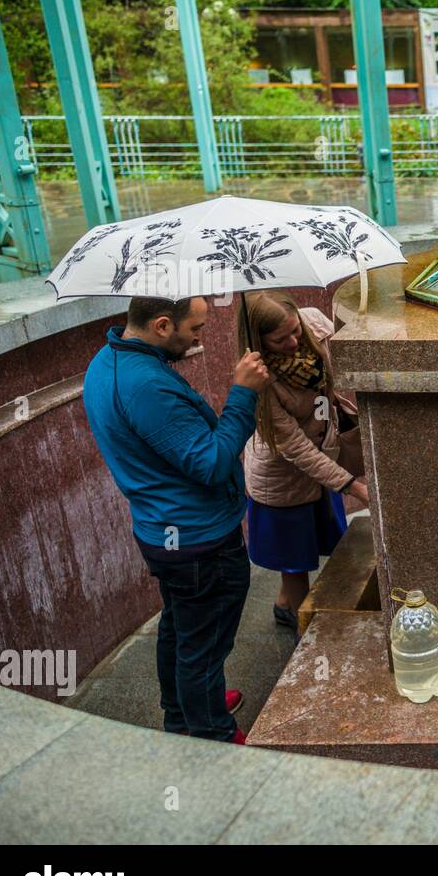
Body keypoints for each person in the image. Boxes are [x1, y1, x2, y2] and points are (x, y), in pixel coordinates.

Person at [83, 295, 269, 744]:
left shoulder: (107, 359)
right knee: (204, 646)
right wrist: (243, 393)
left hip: (164, 533)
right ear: (163, 325)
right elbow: (211, 463)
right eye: (195, 330)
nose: (198, 338)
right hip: (199, 541)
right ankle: (212, 734)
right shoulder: (146, 385)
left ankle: (182, 713)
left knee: (181, 626)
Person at [236, 292, 369, 633]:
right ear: (258, 340)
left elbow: (346, 361)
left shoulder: (313, 322)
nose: (294, 342)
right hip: (282, 480)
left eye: (295, 330)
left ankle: (284, 606)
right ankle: (304, 632)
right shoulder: (257, 380)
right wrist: (353, 486)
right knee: (294, 563)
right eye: (280, 339)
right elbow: (296, 448)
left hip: (324, 460)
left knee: (316, 541)